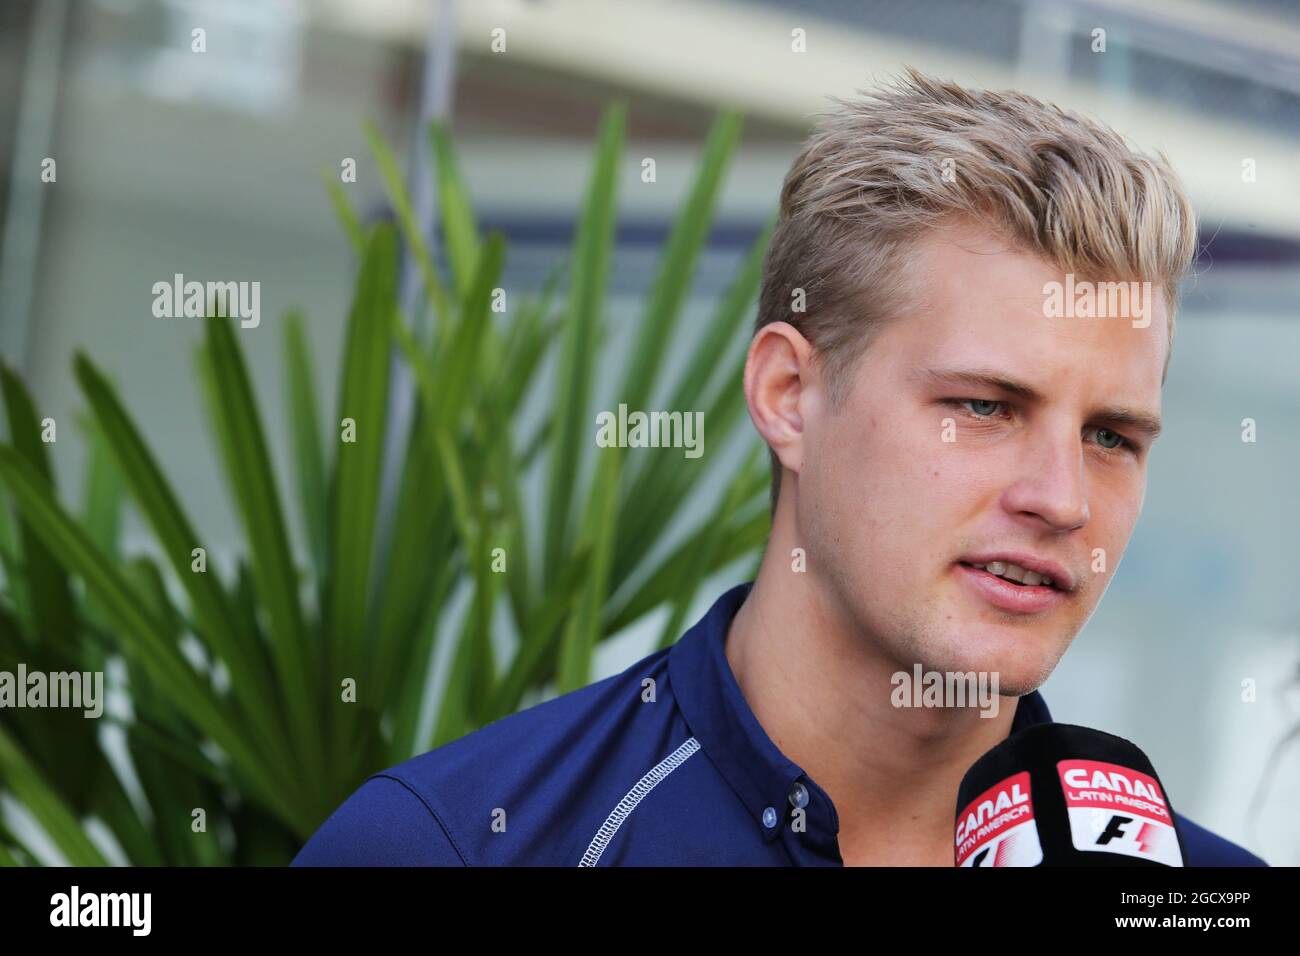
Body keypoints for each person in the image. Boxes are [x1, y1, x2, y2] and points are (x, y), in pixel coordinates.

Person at [293, 69, 1267, 867]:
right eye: (982, 406)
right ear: (788, 395)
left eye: (1112, 437)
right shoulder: (452, 844)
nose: (1060, 497)